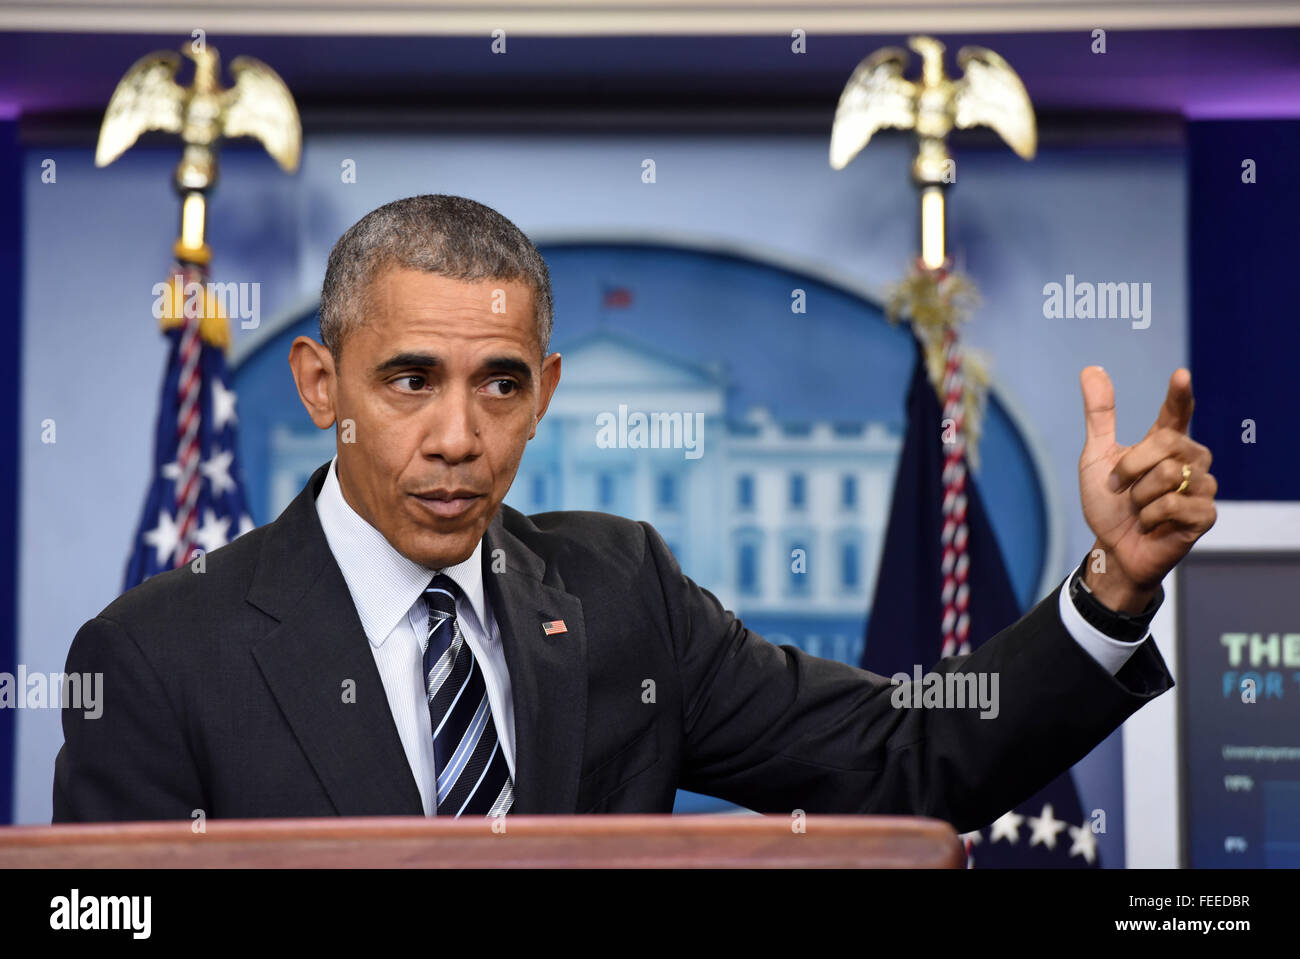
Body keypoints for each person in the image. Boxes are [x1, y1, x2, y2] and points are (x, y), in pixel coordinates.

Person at [53, 194, 1215, 828]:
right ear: (322, 384)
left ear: (544, 392)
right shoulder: (159, 656)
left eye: (499, 383)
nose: (458, 434)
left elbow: (902, 755)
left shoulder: (620, 591)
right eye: (410, 378)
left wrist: (1113, 587)